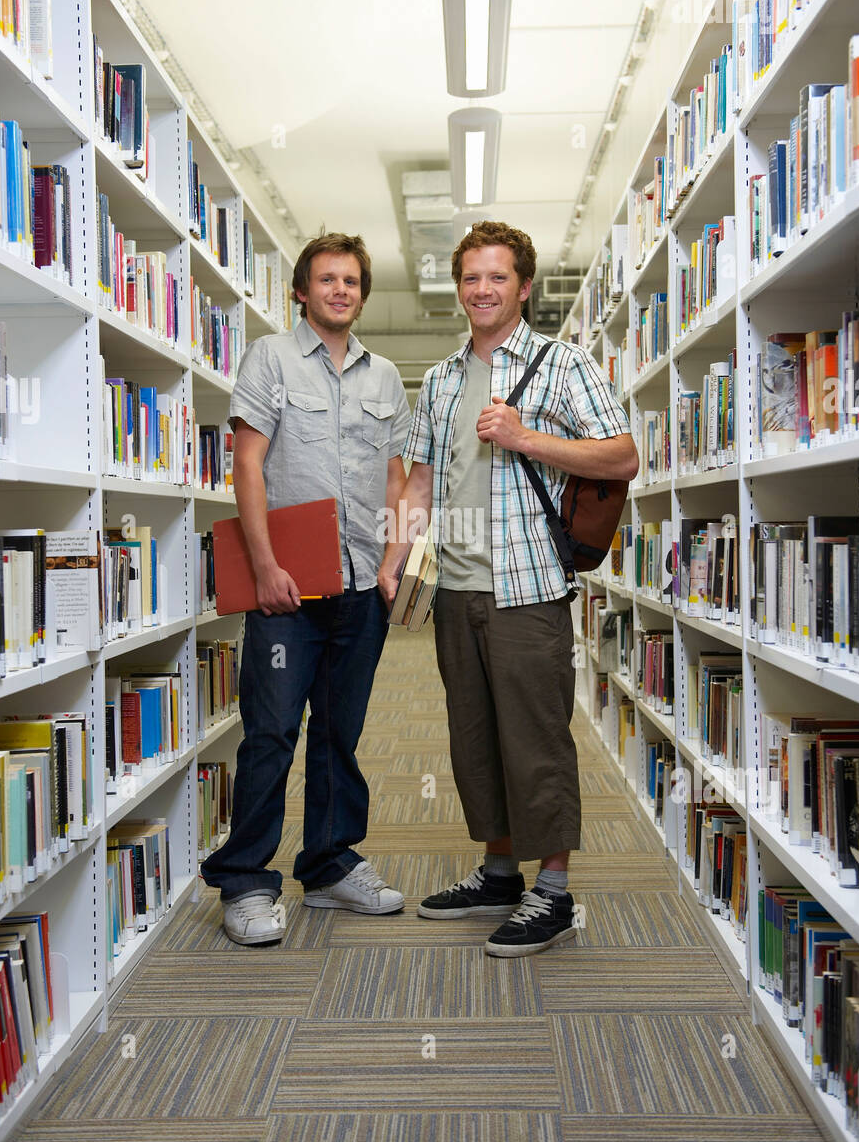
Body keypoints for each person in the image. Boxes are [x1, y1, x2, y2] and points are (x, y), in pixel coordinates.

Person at [378, 221, 638, 957]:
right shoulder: (440, 379)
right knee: (475, 740)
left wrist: (528, 439)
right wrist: (398, 556)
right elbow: (423, 479)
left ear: (524, 287)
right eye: (470, 277)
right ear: (457, 287)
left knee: (536, 741)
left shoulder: (562, 364)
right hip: (455, 589)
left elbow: (622, 455)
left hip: (529, 589)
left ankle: (551, 893)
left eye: (497, 277)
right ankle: (498, 871)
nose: (482, 290)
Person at [202, 232, 411, 943]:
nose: (341, 290)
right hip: (290, 593)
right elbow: (249, 464)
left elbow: (396, 479)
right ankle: (245, 883)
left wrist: (393, 560)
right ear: (302, 290)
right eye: (327, 279)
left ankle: (327, 866)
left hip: (361, 589)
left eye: (352, 280)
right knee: (271, 735)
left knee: (340, 736)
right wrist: (263, 567)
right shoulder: (272, 358)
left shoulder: (385, 378)